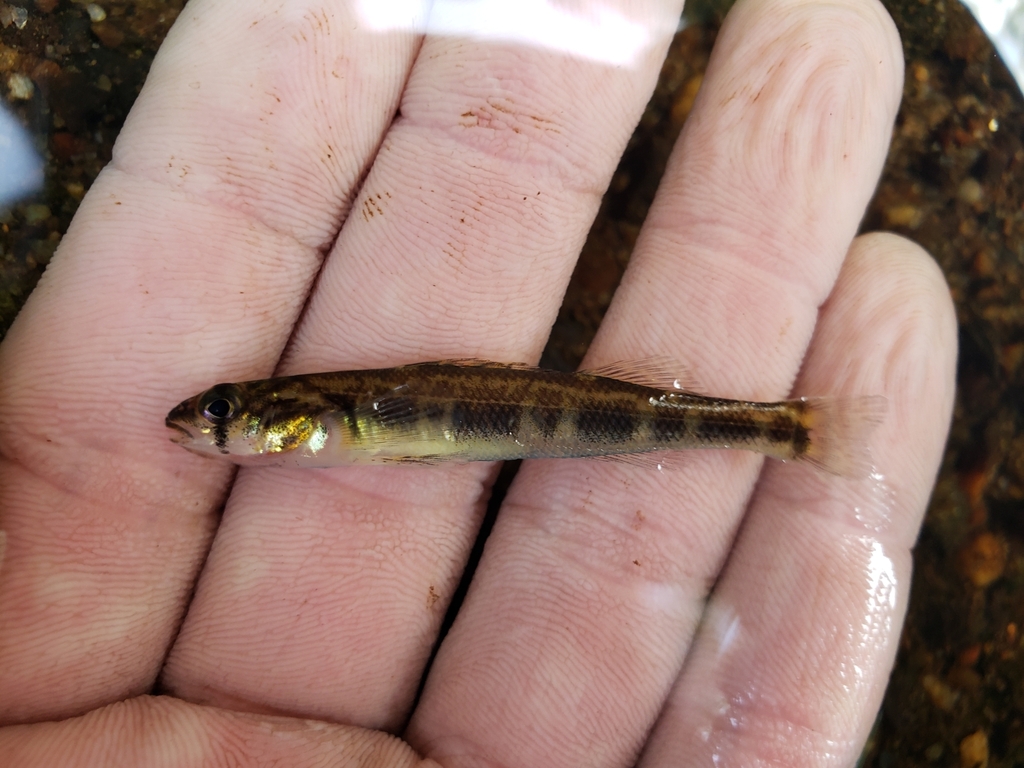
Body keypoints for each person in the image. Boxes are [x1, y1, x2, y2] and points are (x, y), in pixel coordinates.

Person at [0, 0, 956, 764]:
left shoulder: (343, 417)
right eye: (219, 415)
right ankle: (781, 429)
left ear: (290, 418)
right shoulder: (337, 418)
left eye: (224, 416)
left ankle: (786, 428)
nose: (211, 427)